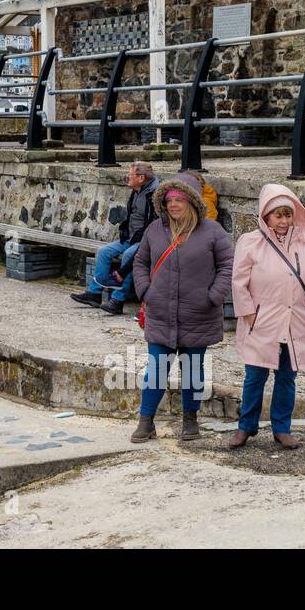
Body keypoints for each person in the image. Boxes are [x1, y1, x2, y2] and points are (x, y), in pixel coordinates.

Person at [130, 173, 234, 443]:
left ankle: (190, 419)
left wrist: (213, 296)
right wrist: (145, 291)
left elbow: (227, 265)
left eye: (179, 199)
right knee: (156, 370)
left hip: (197, 313)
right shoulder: (155, 230)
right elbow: (140, 262)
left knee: (192, 370)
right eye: (168, 199)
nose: (173, 204)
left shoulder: (212, 231)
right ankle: (146, 421)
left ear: (192, 201)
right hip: (161, 312)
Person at [228, 184, 305, 450]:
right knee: (255, 377)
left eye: (287, 214)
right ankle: (245, 426)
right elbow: (239, 282)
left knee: (287, 377)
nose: (283, 221)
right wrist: (249, 315)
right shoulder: (250, 242)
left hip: (295, 321)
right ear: (266, 216)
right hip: (261, 321)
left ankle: (281, 428)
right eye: (277, 215)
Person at [71, 162, 158, 316]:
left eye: (130, 175)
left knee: (129, 255)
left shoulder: (154, 195)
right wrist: (125, 229)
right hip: (131, 237)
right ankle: (94, 294)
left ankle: (117, 301)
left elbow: (153, 224)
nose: (127, 177)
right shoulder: (137, 191)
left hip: (146, 240)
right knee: (104, 251)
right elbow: (132, 216)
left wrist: (138, 236)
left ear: (141, 178)